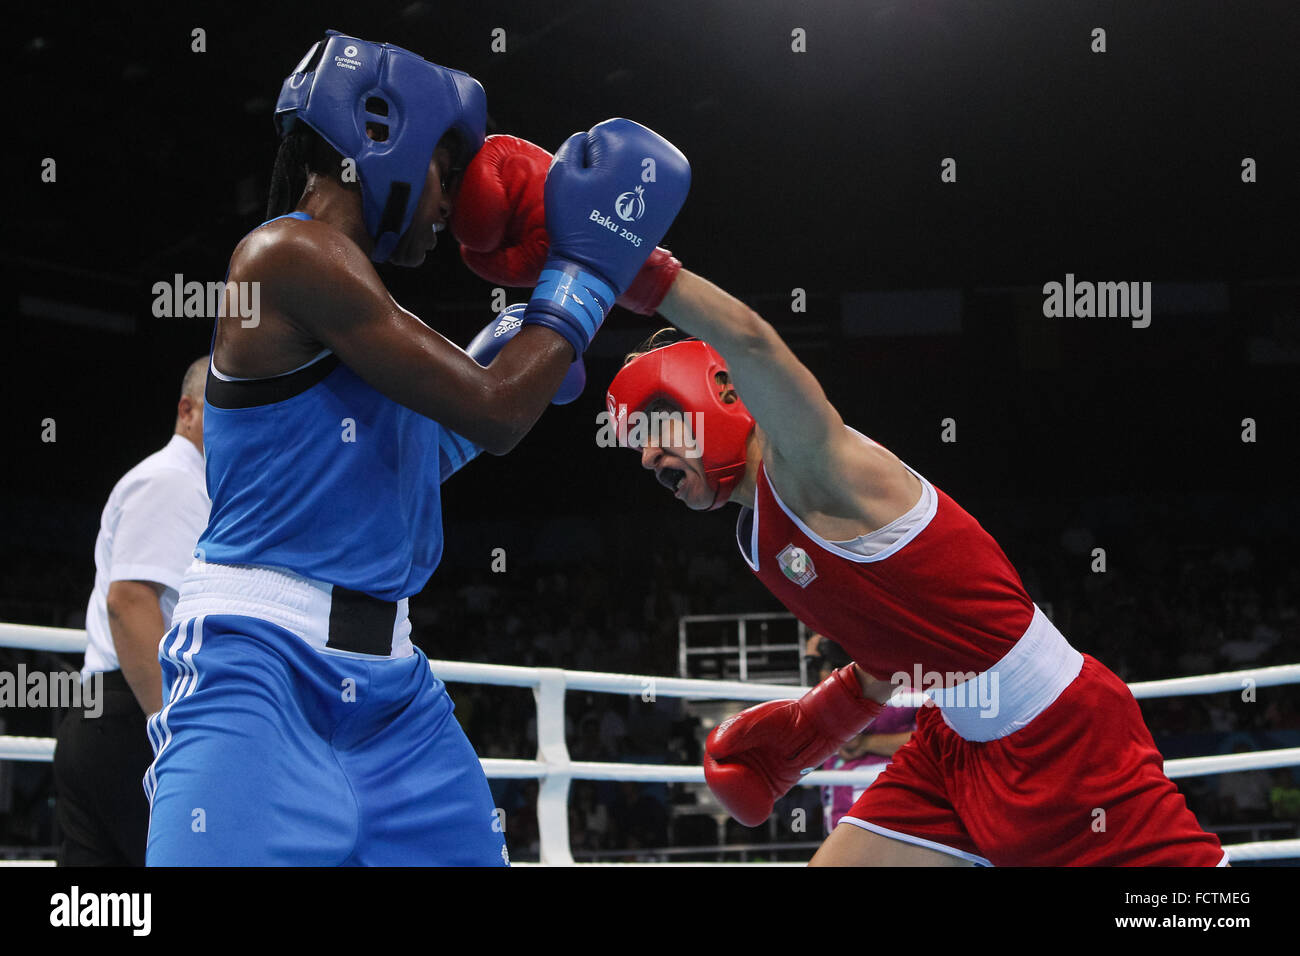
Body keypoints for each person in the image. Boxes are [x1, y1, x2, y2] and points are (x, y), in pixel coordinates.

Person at [447, 139, 1225, 865]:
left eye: (656, 422)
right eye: (634, 441)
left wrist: (631, 267)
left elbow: (751, 342)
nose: (648, 453)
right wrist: (819, 722)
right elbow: (896, 652)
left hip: (1061, 739)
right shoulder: (759, 535)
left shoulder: (820, 464)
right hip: (952, 748)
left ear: (717, 394)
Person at [143, 30, 689, 865]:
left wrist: (518, 342)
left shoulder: (359, 304)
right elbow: (498, 413)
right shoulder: (287, 253)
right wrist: (583, 279)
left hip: (393, 687)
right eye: (444, 167)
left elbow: (429, 451)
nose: (449, 198)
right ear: (378, 134)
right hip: (258, 666)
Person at [53, 356, 210, 866]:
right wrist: (172, 729)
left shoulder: (189, 486)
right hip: (132, 713)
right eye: (223, 406)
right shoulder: (173, 481)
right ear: (187, 411)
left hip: (110, 715)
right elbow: (129, 602)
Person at [804, 635, 916, 838]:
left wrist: (866, 743)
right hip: (843, 792)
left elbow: (937, 738)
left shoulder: (913, 684)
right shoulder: (831, 690)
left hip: (898, 786)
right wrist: (815, 661)